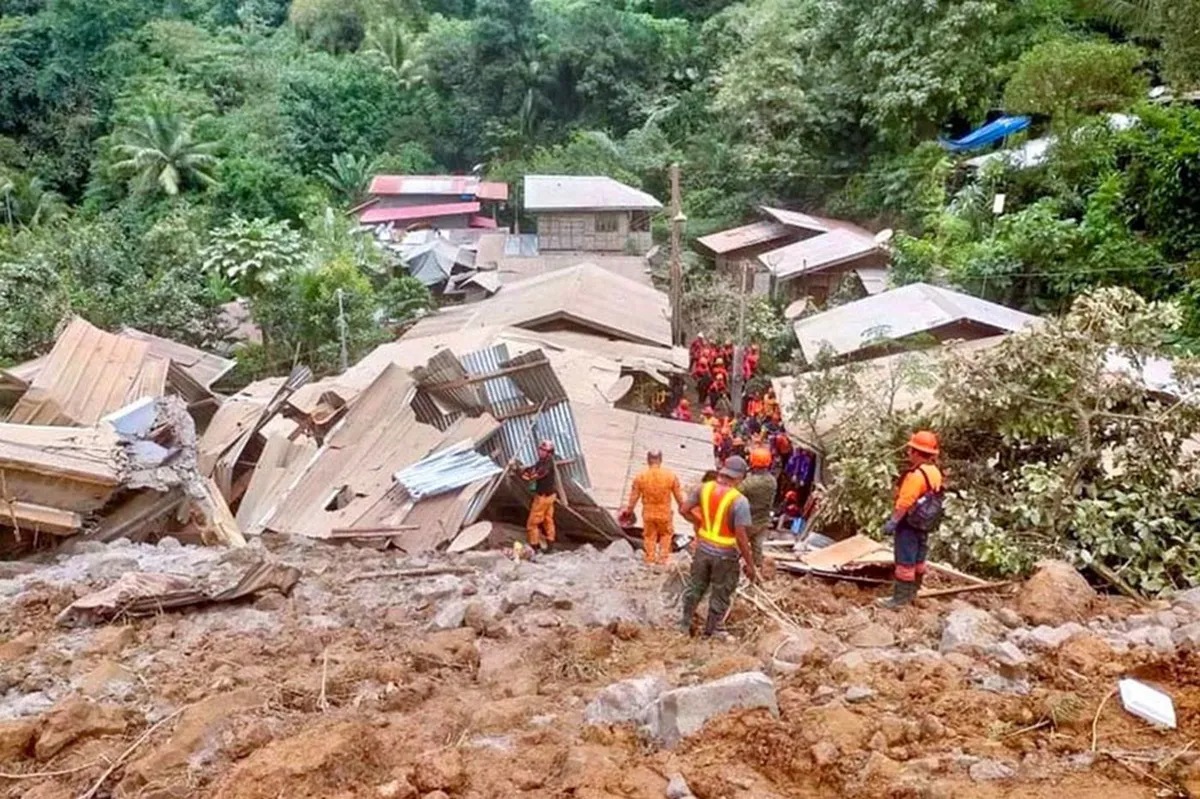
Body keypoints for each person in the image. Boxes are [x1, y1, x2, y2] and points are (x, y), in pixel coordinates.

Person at [679, 456, 759, 638]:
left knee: (695, 587)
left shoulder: (703, 489)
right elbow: (741, 536)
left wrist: (699, 523)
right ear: (739, 478)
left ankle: (684, 625)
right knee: (721, 591)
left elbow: (683, 510)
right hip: (725, 554)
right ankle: (712, 630)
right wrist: (750, 564)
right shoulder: (739, 501)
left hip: (702, 549)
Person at [878, 431, 944, 609]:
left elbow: (905, 503)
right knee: (919, 558)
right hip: (925, 522)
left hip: (910, 522)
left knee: (905, 560)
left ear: (917, 452)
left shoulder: (915, 476)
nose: (908, 453)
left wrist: (893, 522)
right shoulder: (935, 472)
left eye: (910, 450)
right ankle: (913, 593)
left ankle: (899, 600)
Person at [623, 450, 686, 565]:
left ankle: (650, 559)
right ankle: (662, 558)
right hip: (664, 513)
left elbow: (633, 497)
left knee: (649, 536)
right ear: (661, 460)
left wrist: (629, 511)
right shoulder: (670, 476)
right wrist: (683, 508)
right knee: (666, 534)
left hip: (648, 514)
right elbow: (679, 497)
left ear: (648, 460)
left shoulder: (641, 477)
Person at [740, 447, 778, 569]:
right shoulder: (772, 481)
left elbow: (735, 494)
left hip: (748, 521)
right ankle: (758, 571)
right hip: (763, 520)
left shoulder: (749, 483)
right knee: (757, 549)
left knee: (737, 546)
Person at [521, 439, 559, 553]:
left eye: (543, 450)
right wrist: (525, 471)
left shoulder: (547, 464)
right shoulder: (542, 462)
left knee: (532, 523)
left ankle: (535, 546)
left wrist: (530, 476)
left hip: (543, 497)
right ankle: (550, 546)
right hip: (550, 496)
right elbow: (533, 468)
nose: (540, 452)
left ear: (549, 453)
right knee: (548, 520)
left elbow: (540, 473)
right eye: (540, 449)